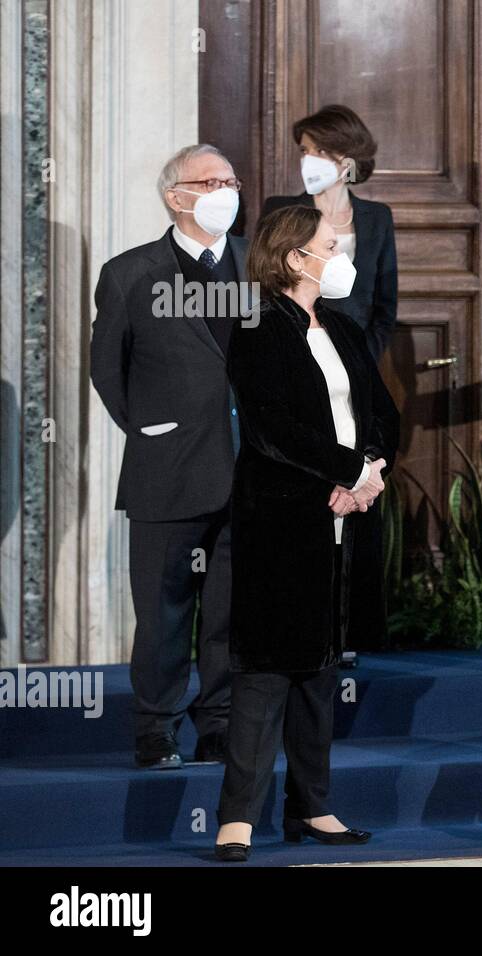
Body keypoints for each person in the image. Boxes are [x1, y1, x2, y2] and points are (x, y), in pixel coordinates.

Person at [212, 205, 399, 861]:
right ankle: (236, 818)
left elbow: (382, 414)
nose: (342, 254)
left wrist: (368, 470)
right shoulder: (258, 328)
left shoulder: (343, 327)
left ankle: (312, 807)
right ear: (295, 257)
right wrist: (348, 471)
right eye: (330, 245)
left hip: (345, 516)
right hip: (283, 520)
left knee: (321, 669)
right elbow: (273, 430)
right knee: (266, 670)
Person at [90, 144, 246, 770]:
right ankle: (156, 728)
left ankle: (220, 724)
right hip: (167, 471)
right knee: (162, 614)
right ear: (174, 196)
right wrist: (154, 430)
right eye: (209, 182)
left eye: (230, 181)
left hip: (248, 470)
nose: (223, 192)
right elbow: (109, 372)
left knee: (232, 613)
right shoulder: (130, 273)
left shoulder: (258, 266)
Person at [262, 104, 397, 362]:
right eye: (305, 151)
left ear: (349, 157)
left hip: (357, 355)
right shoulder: (279, 210)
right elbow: (264, 288)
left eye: (321, 151)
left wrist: (366, 356)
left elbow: (385, 305)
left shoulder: (377, 217)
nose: (309, 160)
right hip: (294, 353)